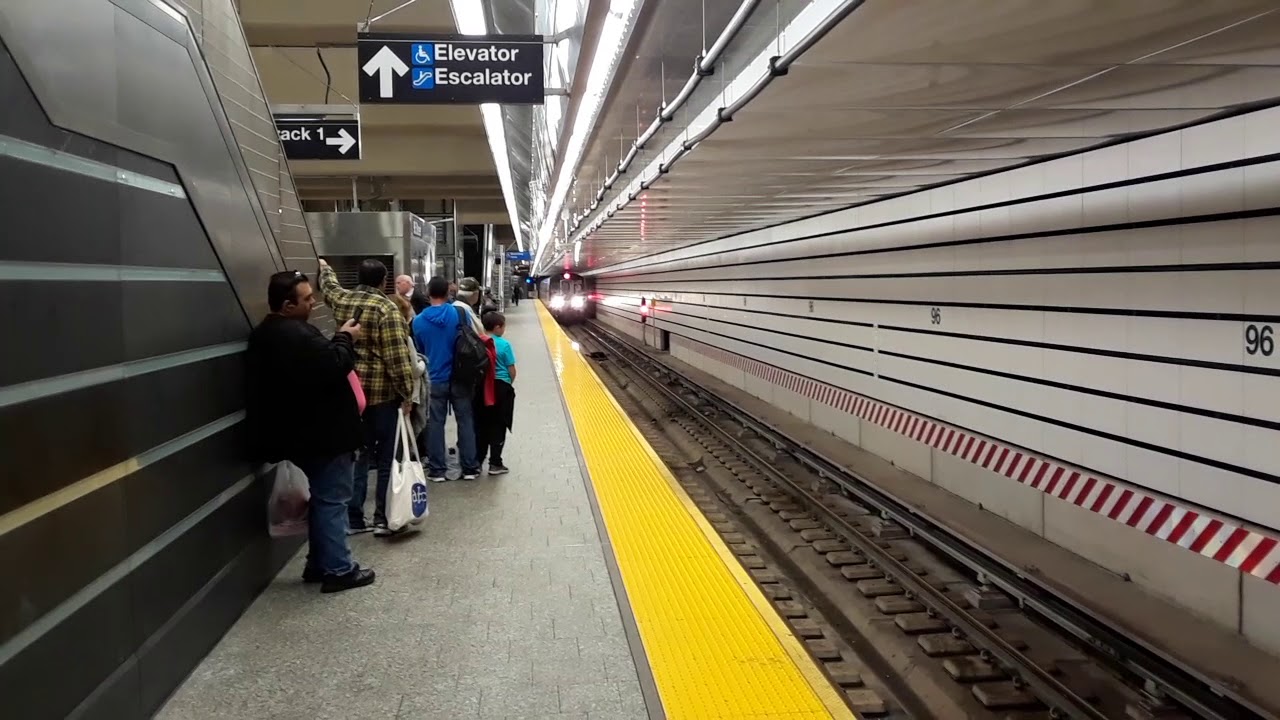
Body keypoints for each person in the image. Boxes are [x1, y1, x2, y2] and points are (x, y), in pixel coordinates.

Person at [246, 270, 376, 593]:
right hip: (325, 435)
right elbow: (333, 365)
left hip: (301, 433)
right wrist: (346, 338)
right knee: (333, 500)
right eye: (306, 299)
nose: (313, 301)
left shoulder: (267, 335)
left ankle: (319, 562)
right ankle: (339, 570)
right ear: (287, 305)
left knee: (322, 499)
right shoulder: (296, 336)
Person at [318, 258, 416, 536]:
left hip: (350, 396)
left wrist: (324, 267)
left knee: (358, 456)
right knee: (386, 459)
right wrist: (407, 395)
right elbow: (396, 358)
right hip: (382, 397)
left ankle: (354, 519)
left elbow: (329, 287)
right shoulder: (387, 309)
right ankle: (384, 518)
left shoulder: (343, 299)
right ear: (384, 281)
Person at [411, 277, 481, 482]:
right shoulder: (459, 313)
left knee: (434, 424)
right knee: (465, 421)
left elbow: (420, 351)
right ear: (449, 292)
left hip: (434, 378)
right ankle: (469, 468)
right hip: (460, 376)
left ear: (428, 293)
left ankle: (437, 470)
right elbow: (468, 339)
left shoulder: (418, 321)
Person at [476, 311, 516, 475]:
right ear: (498, 327)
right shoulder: (504, 345)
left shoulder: (478, 341)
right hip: (501, 388)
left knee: (482, 424)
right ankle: (495, 463)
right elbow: (511, 370)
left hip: (481, 387)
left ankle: (477, 461)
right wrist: (507, 384)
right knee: (499, 424)